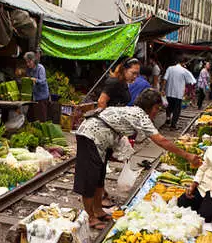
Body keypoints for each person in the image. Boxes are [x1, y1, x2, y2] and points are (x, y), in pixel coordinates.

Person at [74, 89, 202, 229]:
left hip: (100, 140)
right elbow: (161, 141)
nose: (156, 112)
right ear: (149, 106)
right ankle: (91, 217)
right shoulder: (139, 115)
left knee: (99, 177)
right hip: (89, 136)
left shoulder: (134, 112)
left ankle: (98, 211)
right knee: (89, 179)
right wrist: (188, 156)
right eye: (156, 108)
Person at [162, 57, 196, 130]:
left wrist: (163, 89)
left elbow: (165, 79)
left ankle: (168, 118)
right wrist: (189, 93)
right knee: (176, 110)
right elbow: (191, 82)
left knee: (169, 106)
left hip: (169, 92)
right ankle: (173, 125)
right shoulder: (184, 71)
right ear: (183, 63)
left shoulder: (170, 68)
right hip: (178, 94)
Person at [24, 51, 49, 122]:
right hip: (34, 96)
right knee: (31, 117)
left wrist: (35, 80)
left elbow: (43, 81)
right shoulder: (30, 70)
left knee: (41, 117)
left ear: (33, 60)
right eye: (27, 62)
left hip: (42, 96)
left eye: (29, 62)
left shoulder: (40, 68)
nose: (28, 64)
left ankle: (43, 131)